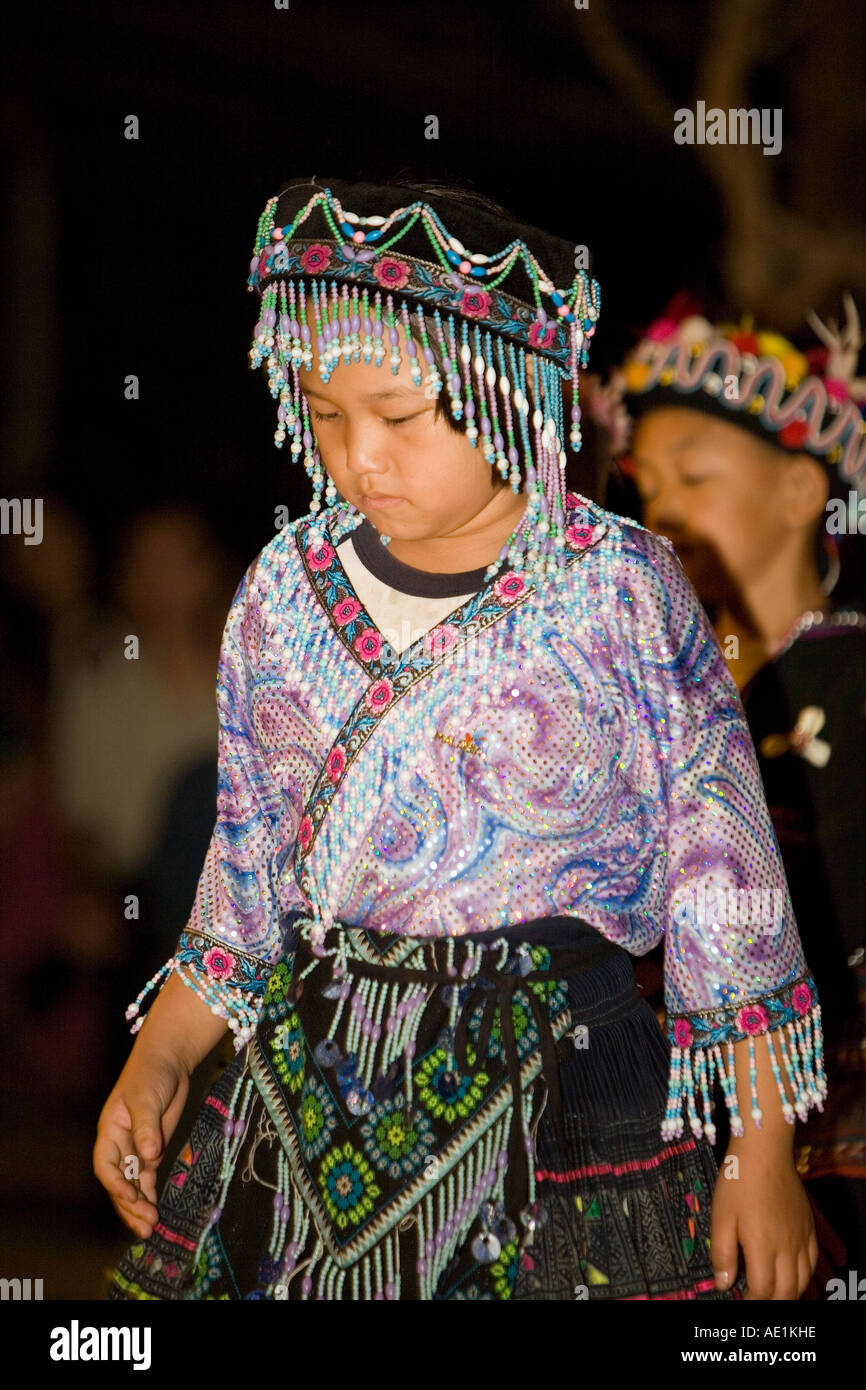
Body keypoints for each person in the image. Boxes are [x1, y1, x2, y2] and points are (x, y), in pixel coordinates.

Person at [96, 177, 825, 1302]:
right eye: (323, 416)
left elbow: (722, 883)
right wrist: (159, 1058)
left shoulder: (618, 588)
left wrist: (759, 1145)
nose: (358, 460)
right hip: (306, 1112)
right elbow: (245, 883)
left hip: (569, 1104)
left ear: (509, 392)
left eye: (397, 416)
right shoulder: (283, 593)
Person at [614, 303, 866, 1280]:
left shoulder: (851, 670)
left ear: (802, 487)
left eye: (695, 474)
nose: (662, 510)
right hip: (666, 1104)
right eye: (648, 485)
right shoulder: (648, 680)